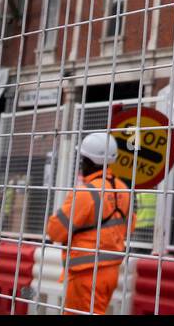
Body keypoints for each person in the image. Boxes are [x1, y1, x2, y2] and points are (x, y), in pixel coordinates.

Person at [45, 132, 134, 315]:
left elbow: (55, 232)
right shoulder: (123, 189)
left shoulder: (86, 193)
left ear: (88, 161)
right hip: (110, 273)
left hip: (87, 275)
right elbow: (128, 227)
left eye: (82, 158)